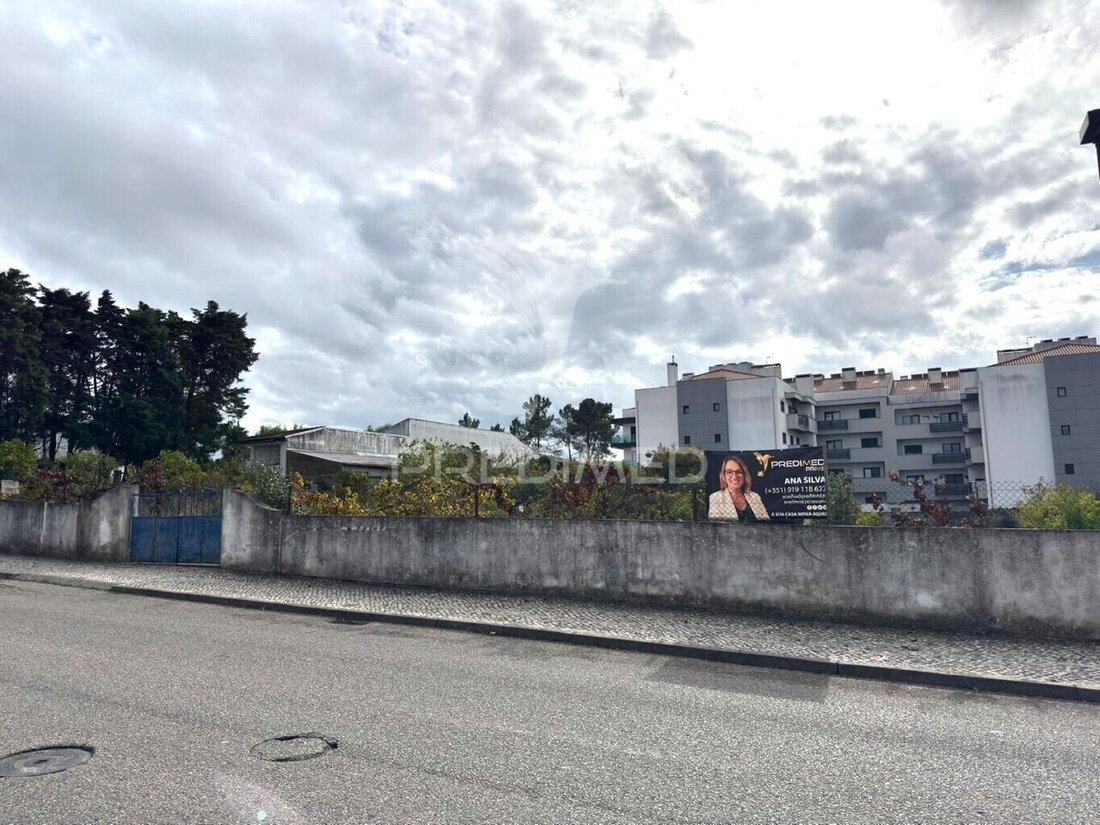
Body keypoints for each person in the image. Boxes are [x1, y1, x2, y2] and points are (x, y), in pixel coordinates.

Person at [708, 454, 770, 521]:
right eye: (729, 472)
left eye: (739, 472)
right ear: (724, 476)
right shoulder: (716, 498)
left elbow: (766, 522)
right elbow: (716, 527)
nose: (734, 477)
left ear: (744, 475)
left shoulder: (755, 497)